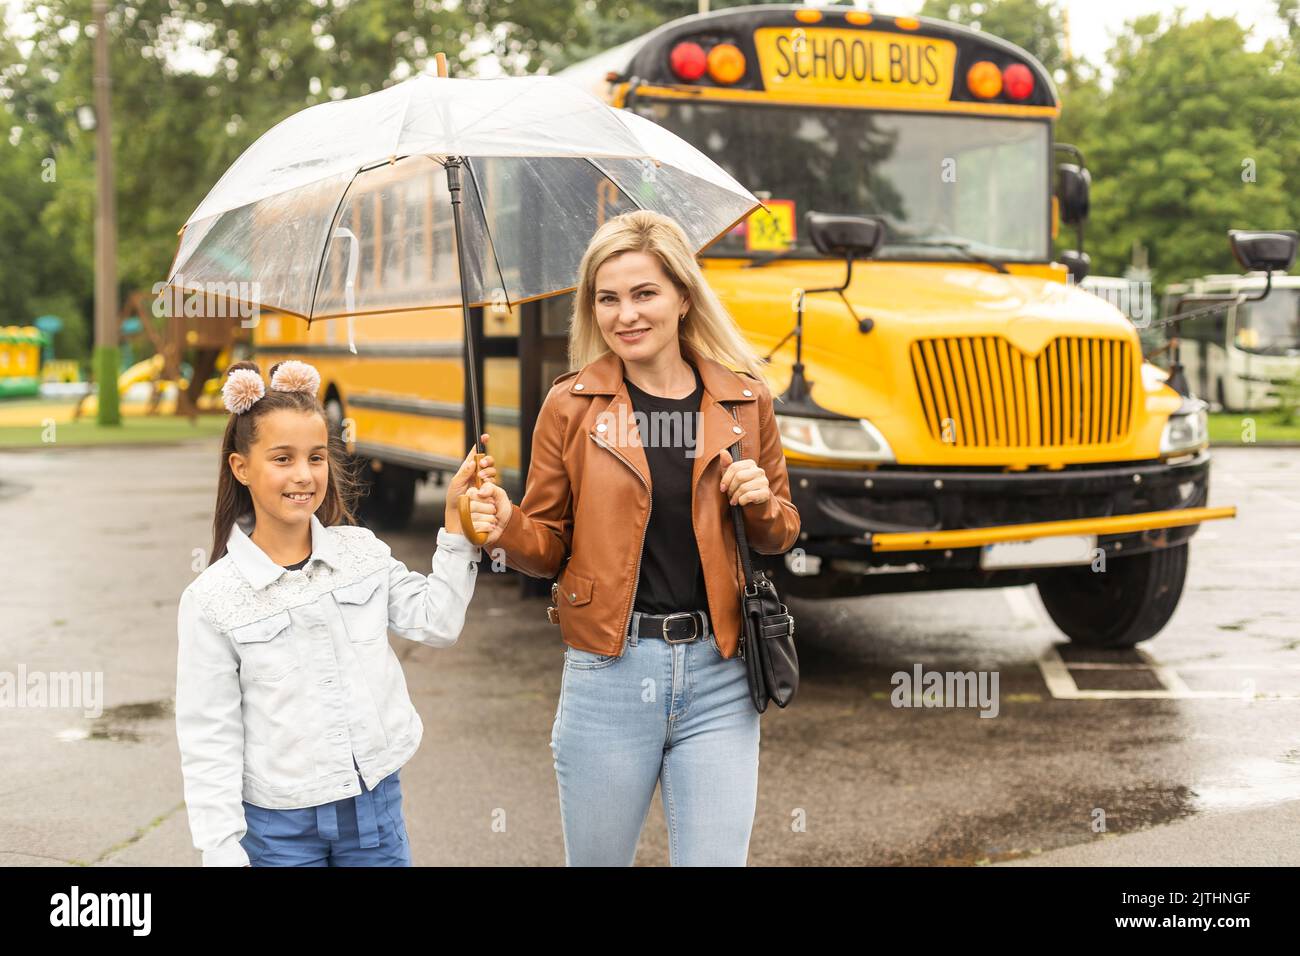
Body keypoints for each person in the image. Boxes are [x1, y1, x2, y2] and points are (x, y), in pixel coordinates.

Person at [479, 210, 800, 865]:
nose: (625, 314)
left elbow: (781, 534)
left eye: (644, 293)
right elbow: (545, 545)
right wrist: (503, 524)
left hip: (721, 673)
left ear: (683, 298)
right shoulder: (571, 407)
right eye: (608, 298)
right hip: (609, 674)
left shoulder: (744, 401)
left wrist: (763, 503)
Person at [174, 358, 504, 866]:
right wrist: (220, 851)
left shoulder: (361, 553)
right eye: (282, 459)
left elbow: (436, 622)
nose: (304, 476)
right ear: (241, 468)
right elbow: (208, 736)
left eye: (316, 457)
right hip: (277, 829)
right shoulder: (213, 598)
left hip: (374, 812)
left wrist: (456, 526)